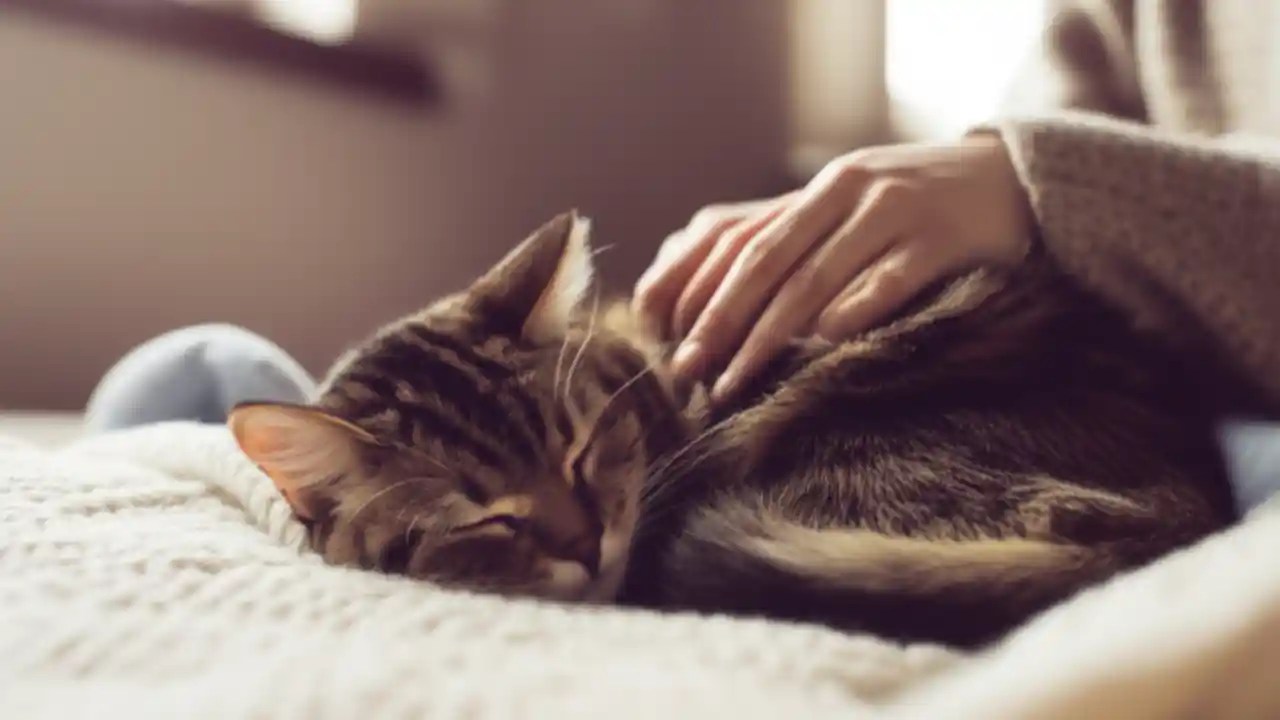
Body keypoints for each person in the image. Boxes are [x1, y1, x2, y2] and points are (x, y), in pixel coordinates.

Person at [88, 0, 1280, 510]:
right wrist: (938, 197)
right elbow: (1031, 209)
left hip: (1242, 415)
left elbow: (1051, 178)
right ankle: (351, 466)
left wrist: (1037, 180)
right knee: (198, 375)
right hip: (1118, 363)